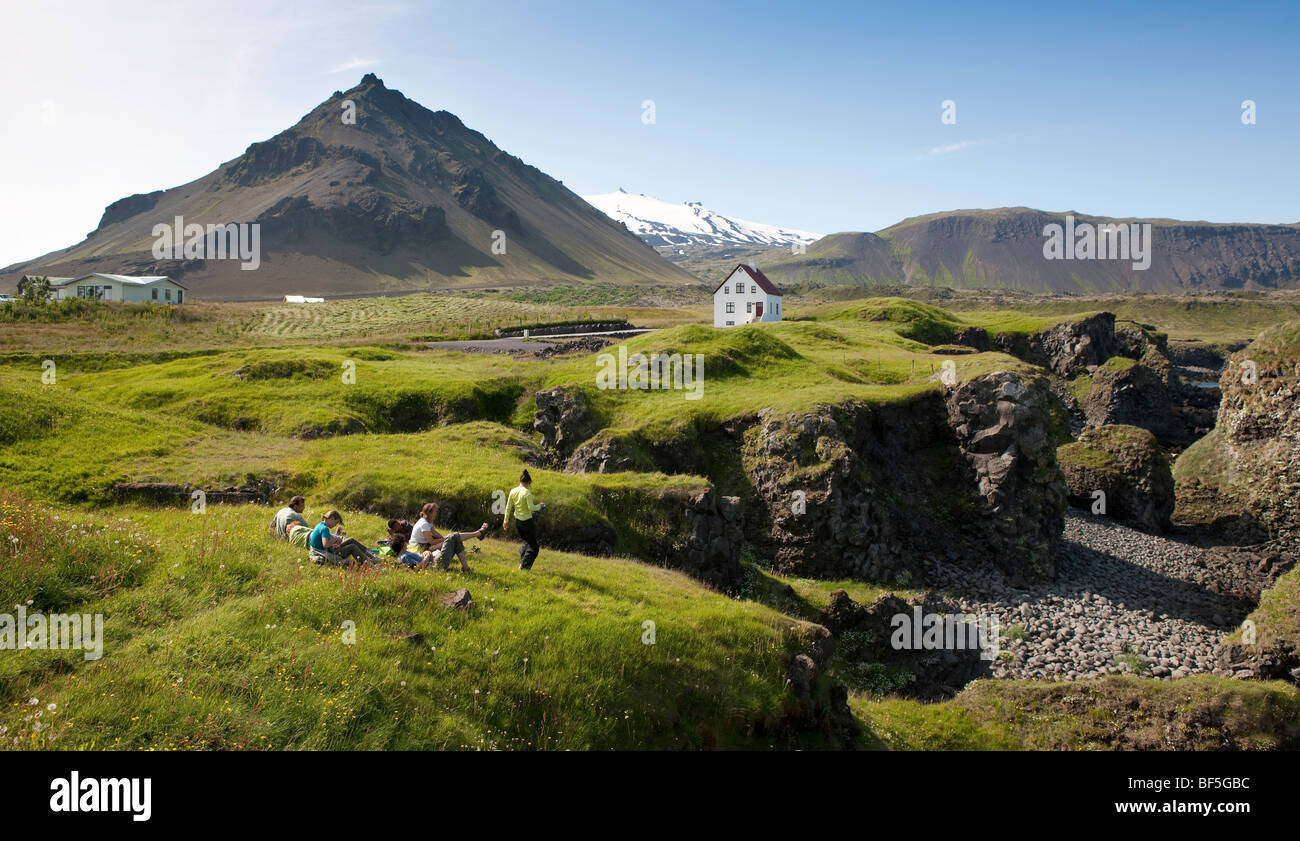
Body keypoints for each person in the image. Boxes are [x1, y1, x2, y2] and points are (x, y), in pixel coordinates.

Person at [408, 502, 488, 572]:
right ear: (430, 512)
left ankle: (478, 534)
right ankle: (478, 534)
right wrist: (446, 539)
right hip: (422, 548)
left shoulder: (427, 522)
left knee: (453, 537)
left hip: (426, 546)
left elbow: (435, 534)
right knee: (454, 537)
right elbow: (431, 541)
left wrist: (446, 538)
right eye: (435, 512)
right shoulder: (424, 524)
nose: (436, 514)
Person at [503, 469, 544, 570]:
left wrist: (505, 521)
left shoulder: (513, 491)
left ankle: (522, 560)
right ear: (529, 483)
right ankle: (524, 566)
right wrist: (540, 506)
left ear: (519, 481)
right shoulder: (527, 492)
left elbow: (508, 507)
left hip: (518, 523)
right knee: (534, 547)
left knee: (527, 542)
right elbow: (531, 508)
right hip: (527, 523)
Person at [308, 510, 376, 567]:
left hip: (326, 549)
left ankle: (371, 557)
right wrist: (336, 540)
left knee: (351, 540)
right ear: (331, 518)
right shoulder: (325, 528)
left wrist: (333, 545)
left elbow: (323, 543)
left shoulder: (320, 524)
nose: (335, 525)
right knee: (352, 547)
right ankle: (370, 564)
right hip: (325, 553)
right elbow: (325, 544)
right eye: (336, 522)